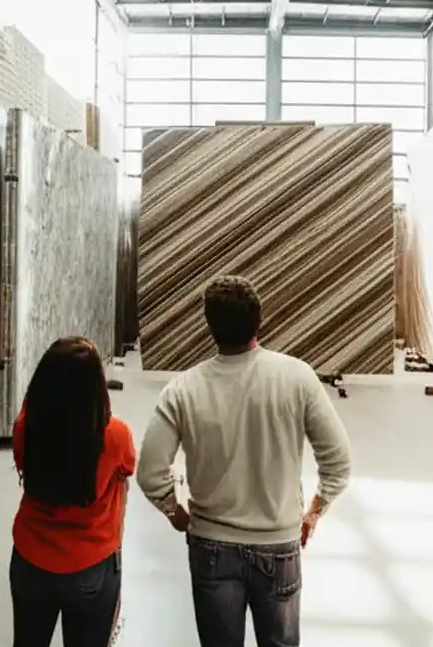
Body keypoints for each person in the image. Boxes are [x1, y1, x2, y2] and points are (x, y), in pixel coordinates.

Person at [136, 276, 352, 647]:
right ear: (259, 320)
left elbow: (150, 472)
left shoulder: (183, 389)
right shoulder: (297, 377)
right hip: (279, 546)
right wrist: (314, 512)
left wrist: (176, 513)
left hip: (210, 547)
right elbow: (339, 462)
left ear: (210, 325)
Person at [10, 337, 135, 647]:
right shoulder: (115, 434)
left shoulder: (26, 426)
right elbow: (126, 470)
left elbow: (23, 464)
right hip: (90, 565)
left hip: (30, 558)